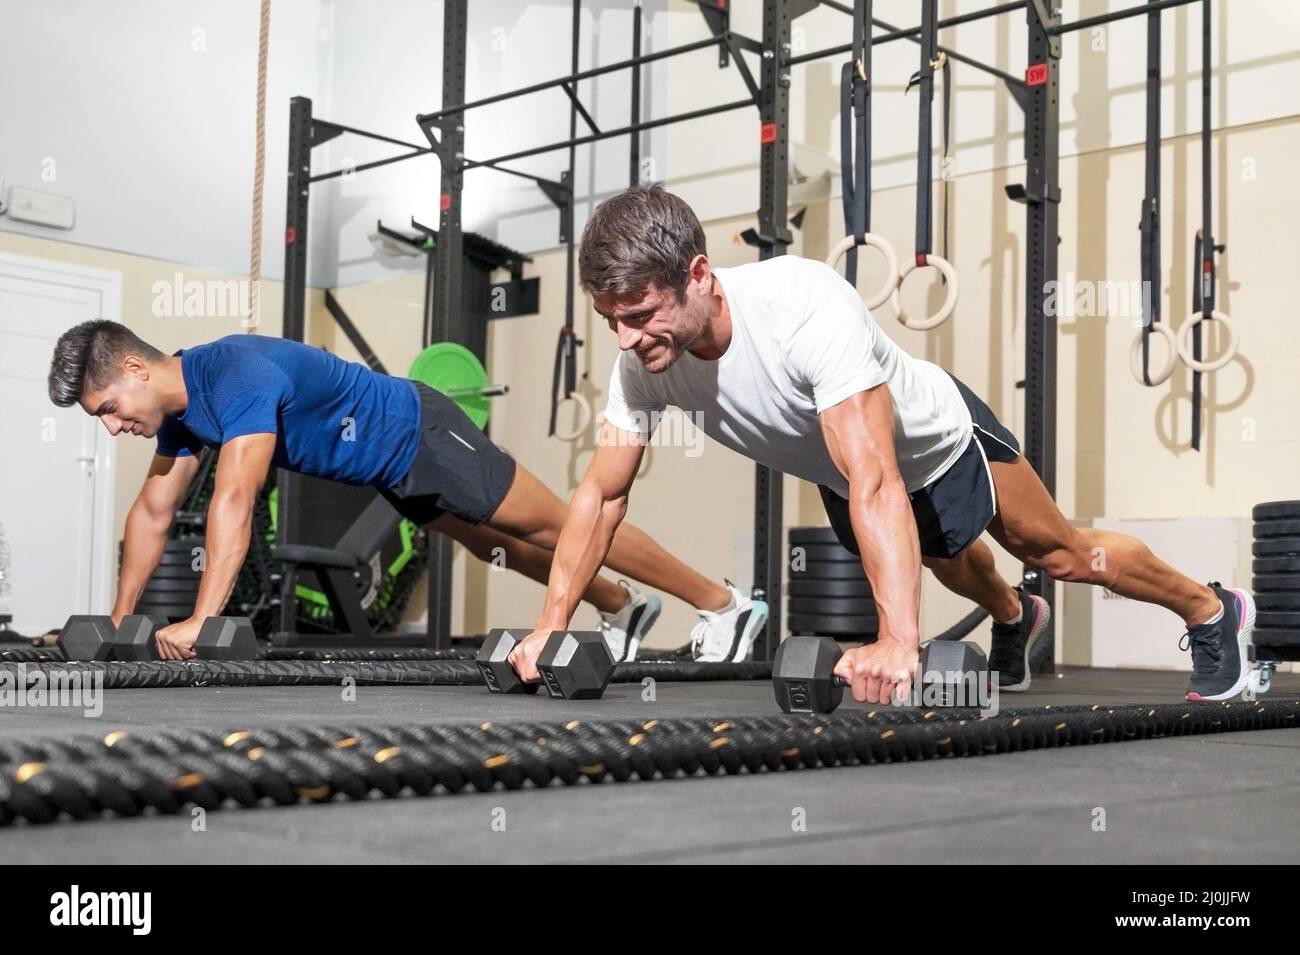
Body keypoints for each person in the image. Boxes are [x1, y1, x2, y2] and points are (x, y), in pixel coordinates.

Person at [508, 186, 1254, 705]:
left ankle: (1211, 610)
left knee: (1055, 551)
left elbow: (874, 475)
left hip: (941, 442)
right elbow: (601, 494)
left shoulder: (800, 305)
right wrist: (552, 626)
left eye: (639, 314)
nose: (627, 338)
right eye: (611, 320)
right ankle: (1017, 618)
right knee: (957, 567)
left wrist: (899, 637)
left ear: (699, 275)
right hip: (852, 477)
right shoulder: (639, 367)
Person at [46, 320, 768, 661]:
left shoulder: (233, 374)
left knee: (557, 525)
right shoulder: (178, 413)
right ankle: (620, 604)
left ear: (136, 369)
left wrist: (205, 621)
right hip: (391, 473)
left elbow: (235, 498)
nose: (112, 427)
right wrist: (120, 619)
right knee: (505, 551)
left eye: (108, 409)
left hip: (419, 430)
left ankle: (724, 605)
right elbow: (153, 511)